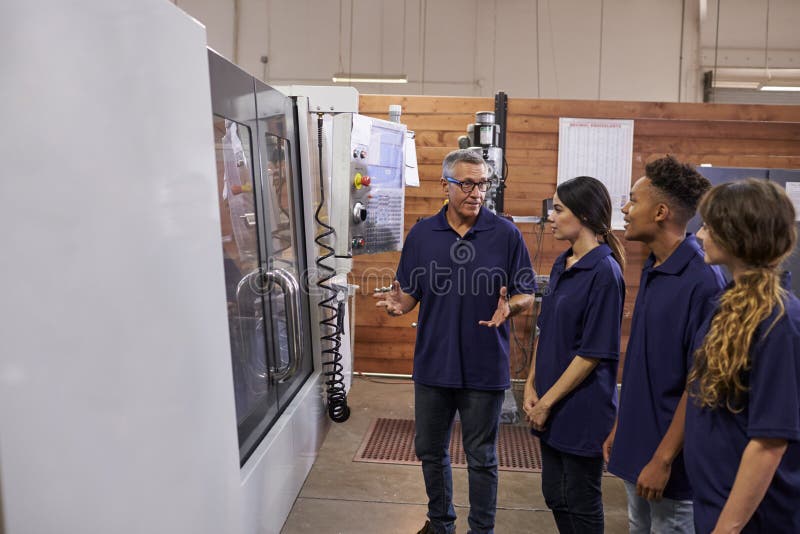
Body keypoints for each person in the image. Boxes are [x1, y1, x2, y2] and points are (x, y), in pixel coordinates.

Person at [374, 149, 535, 534]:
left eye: (482, 184)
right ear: (445, 185)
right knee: (430, 451)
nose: (476, 192)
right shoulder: (422, 235)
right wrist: (400, 304)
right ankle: (441, 523)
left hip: (485, 366)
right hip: (434, 364)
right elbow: (410, 293)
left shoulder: (506, 234)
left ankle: (482, 529)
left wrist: (510, 308)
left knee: (481, 457)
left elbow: (527, 292)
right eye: (466, 183)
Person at [605, 155, 726, 533]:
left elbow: (701, 384)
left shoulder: (704, 281)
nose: (625, 209)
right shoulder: (655, 268)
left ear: (660, 212)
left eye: (633, 201)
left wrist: (663, 458)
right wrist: (621, 425)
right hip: (638, 448)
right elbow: (647, 366)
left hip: (673, 469)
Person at [685, 179, 800, 533]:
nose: (701, 234)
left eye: (708, 226)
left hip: (752, 519)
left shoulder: (780, 320)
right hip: (715, 502)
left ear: (735, 234)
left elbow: (769, 442)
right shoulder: (728, 305)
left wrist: (727, 528)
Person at [524, 176, 626, 533]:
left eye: (558, 209)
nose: (551, 217)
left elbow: (592, 354)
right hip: (549, 402)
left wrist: (547, 402)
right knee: (555, 493)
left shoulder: (604, 272)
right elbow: (546, 331)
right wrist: (530, 384)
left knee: (580, 501)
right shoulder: (562, 262)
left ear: (582, 214)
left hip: (580, 407)